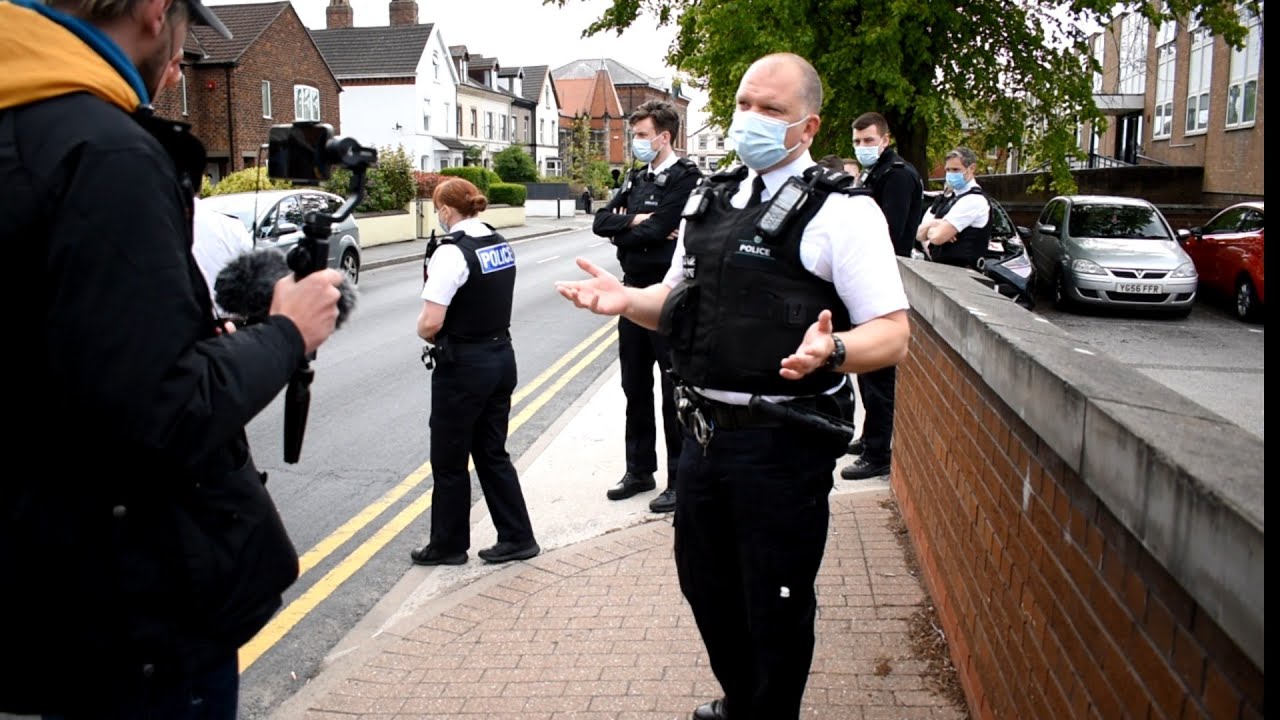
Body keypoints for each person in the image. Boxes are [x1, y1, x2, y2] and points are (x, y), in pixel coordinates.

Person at [0, 0, 345, 716]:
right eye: (187, 36)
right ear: (157, 13)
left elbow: (74, 362)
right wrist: (285, 333)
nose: (182, 59)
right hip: (133, 623)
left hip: (39, 595)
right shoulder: (105, 150)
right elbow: (159, 410)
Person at [557, 53, 910, 720]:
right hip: (702, 438)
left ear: (807, 126)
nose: (750, 118)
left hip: (783, 445)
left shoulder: (843, 213)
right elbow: (674, 303)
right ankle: (743, 700)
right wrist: (626, 300)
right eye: (745, 103)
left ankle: (769, 712)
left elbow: (892, 334)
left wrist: (832, 349)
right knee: (706, 588)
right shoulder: (711, 200)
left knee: (775, 601)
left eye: (770, 110)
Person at [412, 177, 540, 566]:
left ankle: (448, 545)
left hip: (464, 366)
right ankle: (517, 537)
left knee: (450, 459)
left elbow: (430, 322)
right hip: (501, 357)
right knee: (491, 453)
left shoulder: (452, 252)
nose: (439, 216)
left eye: (438, 210)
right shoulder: (497, 242)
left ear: (447, 211)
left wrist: (423, 331)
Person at [591, 100, 702, 513]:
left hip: (668, 296)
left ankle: (679, 478)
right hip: (630, 291)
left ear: (664, 136)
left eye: (640, 135)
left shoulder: (686, 179)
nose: (635, 142)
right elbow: (601, 221)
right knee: (633, 386)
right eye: (635, 134)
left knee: (674, 389)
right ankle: (639, 469)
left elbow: (663, 226)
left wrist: (634, 224)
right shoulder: (638, 177)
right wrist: (636, 224)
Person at [841, 111, 924, 481]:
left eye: (869, 141)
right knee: (868, 372)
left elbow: (885, 234)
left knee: (879, 375)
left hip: (882, 279)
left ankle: (878, 452)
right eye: (858, 142)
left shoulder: (898, 176)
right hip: (866, 278)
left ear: (885, 140)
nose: (862, 148)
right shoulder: (877, 174)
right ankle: (869, 437)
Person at [916, 146, 991, 269]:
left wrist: (934, 227)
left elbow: (936, 237)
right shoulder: (948, 198)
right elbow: (919, 234)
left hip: (963, 274)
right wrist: (939, 223)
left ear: (971, 168)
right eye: (948, 170)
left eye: (956, 170)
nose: (951, 174)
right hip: (942, 270)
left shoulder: (974, 199)